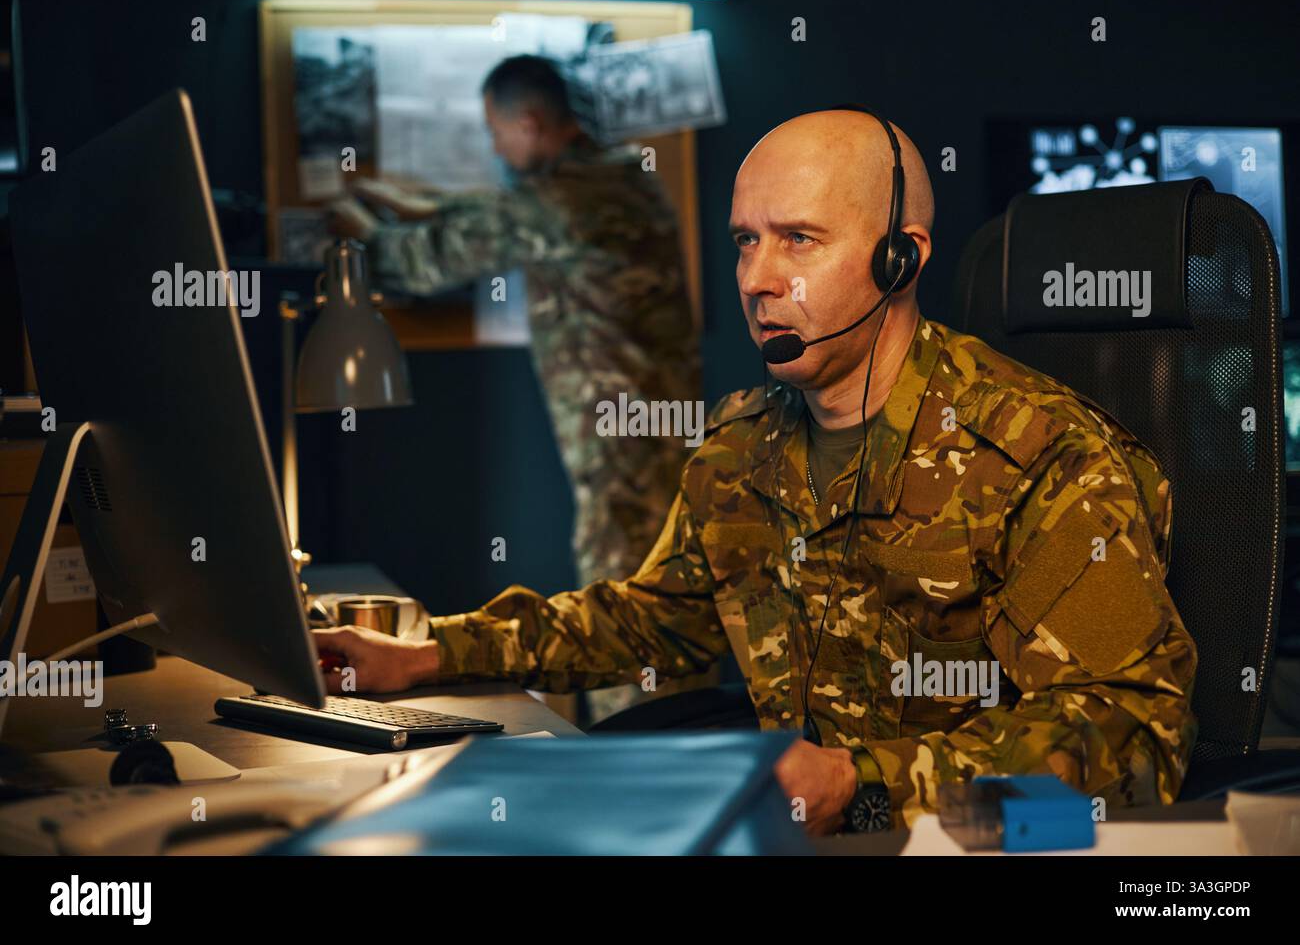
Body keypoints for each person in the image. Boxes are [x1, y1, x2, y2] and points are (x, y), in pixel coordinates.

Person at [317, 108, 1198, 836]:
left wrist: (861, 780)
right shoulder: (743, 444)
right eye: (744, 241)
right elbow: (652, 622)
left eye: (799, 241)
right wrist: (432, 653)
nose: (757, 277)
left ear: (902, 258)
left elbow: (1131, 734)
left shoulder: (1039, 454)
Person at [330, 54, 704, 724]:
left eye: (496, 132)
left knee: (629, 616)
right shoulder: (611, 179)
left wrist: (347, 226)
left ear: (530, 124)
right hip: (653, 439)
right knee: (648, 603)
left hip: (626, 458)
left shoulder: (562, 201)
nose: (495, 147)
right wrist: (401, 201)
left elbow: (424, 260)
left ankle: (643, 766)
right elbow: (489, 212)